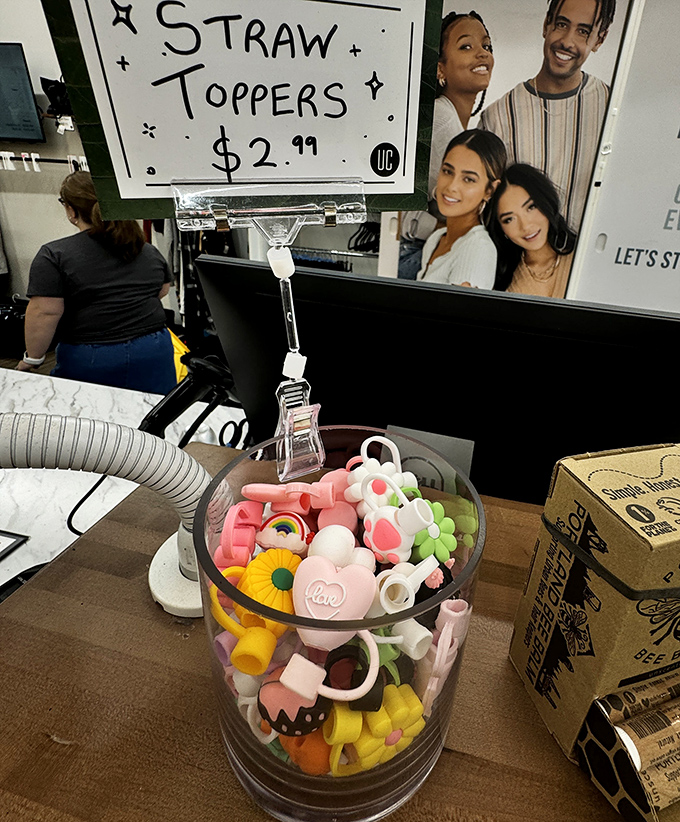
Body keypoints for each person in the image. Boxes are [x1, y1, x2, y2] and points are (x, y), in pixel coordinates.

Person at [17, 171, 177, 394]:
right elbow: (161, 290)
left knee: (93, 423)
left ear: (71, 210)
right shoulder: (145, 248)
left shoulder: (55, 255)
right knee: (155, 416)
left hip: (92, 356)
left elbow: (45, 313)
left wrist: (33, 358)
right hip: (154, 349)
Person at [479, 0, 616, 230]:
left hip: (586, 263)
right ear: (546, 24)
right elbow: (484, 211)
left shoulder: (612, 110)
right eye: (562, 24)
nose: (567, 41)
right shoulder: (498, 117)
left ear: (599, 39)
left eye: (583, 31)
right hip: (520, 265)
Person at [399, 9, 494, 280]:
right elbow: (442, 205)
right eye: (466, 46)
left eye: (486, 45)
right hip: (417, 254)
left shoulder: (453, 121)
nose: (482, 53)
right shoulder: (440, 118)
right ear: (441, 68)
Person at [417, 129, 506, 289]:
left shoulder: (477, 249)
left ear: (490, 190)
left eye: (468, 179)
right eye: (448, 171)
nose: (452, 186)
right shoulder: (436, 239)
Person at [487, 163, 577, 297]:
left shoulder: (583, 256)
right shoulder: (500, 281)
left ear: (546, 201)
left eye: (531, 207)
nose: (525, 226)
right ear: (501, 228)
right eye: (509, 219)